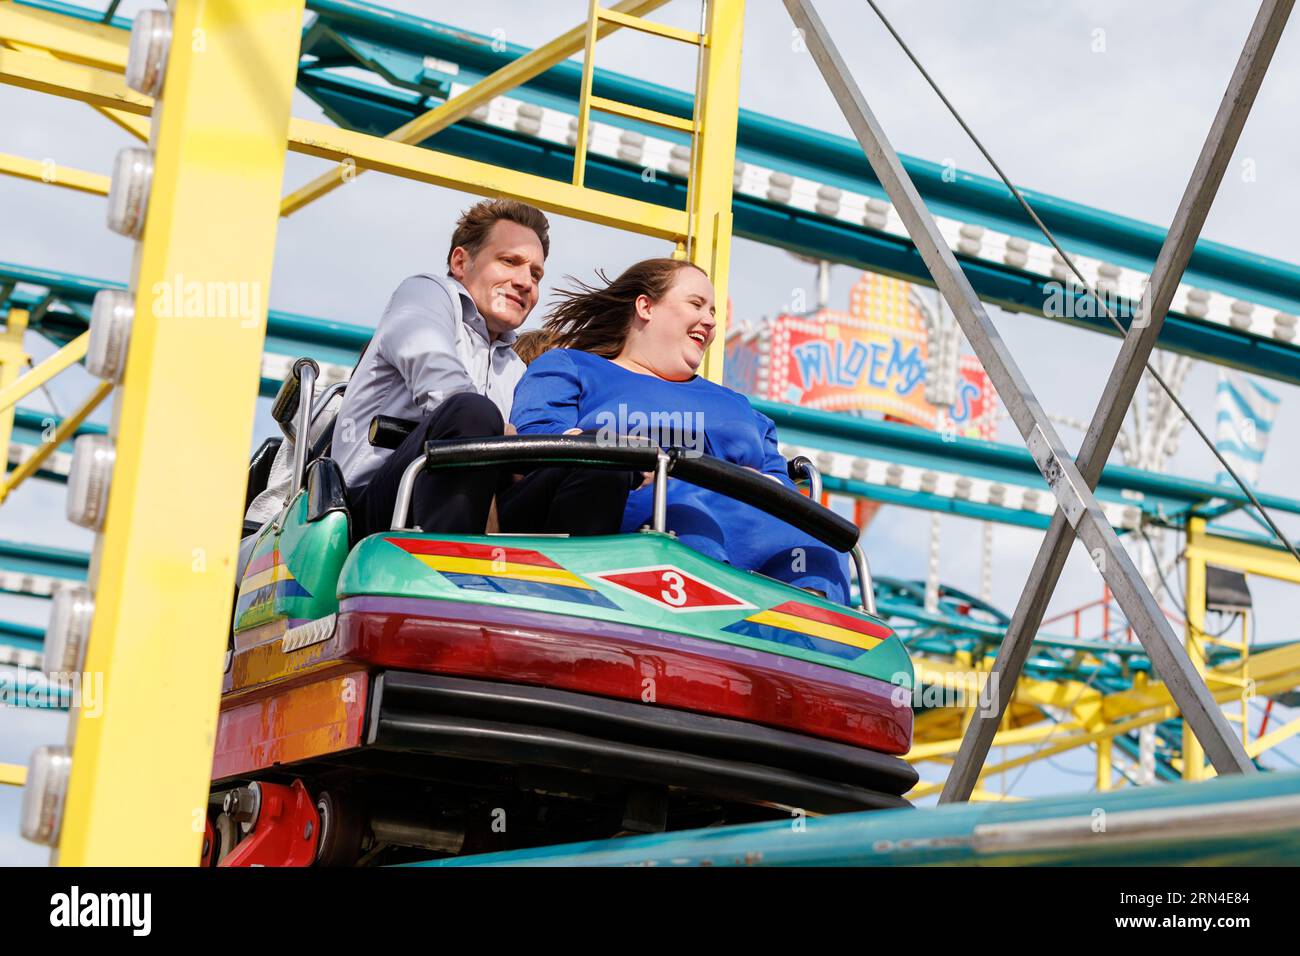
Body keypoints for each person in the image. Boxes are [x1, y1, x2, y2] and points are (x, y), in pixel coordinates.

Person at [508, 257, 852, 603]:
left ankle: (806, 634)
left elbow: (779, 484)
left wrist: (752, 483)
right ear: (646, 306)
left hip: (744, 518)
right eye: (696, 304)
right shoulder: (574, 368)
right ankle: (705, 617)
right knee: (686, 508)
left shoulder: (739, 408)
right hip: (640, 509)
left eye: (714, 312)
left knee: (822, 538)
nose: (710, 321)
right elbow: (540, 440)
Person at [328, 198, 550, 539]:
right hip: (373, 508)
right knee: (471, 411)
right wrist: (500, 435)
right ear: (461, 262)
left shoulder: (517, 369)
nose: (525, 282)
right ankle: (452, 572)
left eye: (535, 274)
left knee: (589, 462)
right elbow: (439, 380)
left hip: (476, 504)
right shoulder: (426, 293)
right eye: (509, 261)